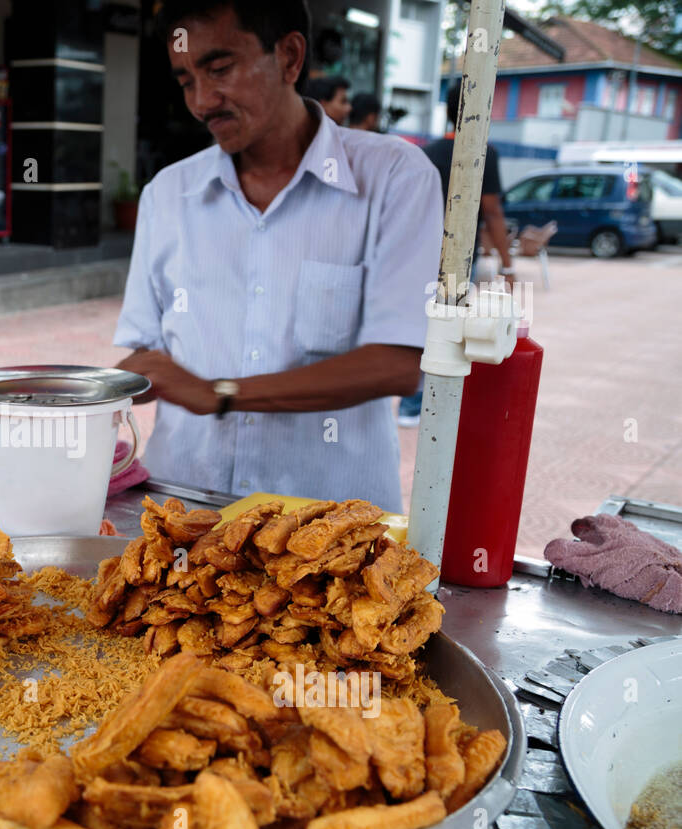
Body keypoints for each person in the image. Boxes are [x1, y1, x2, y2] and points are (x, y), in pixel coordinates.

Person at [114, 0, 442, 512]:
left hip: (329, 530)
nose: (202, 101)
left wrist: (222, 391)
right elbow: (145, 356)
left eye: (220, 68)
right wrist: (65, 397)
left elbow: (398, 363)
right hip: (187, 514)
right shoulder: (167, 195)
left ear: (289, 57)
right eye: (185, 80)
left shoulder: (394, 176)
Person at [398, 79, 515, 427]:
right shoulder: (482, 152)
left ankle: (409, 405)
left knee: (422, 321)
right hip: (460, 255)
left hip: (420, 251)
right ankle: (439, 402)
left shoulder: (425, 152)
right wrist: (508, 266)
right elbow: (492, 211)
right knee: (453, 322)